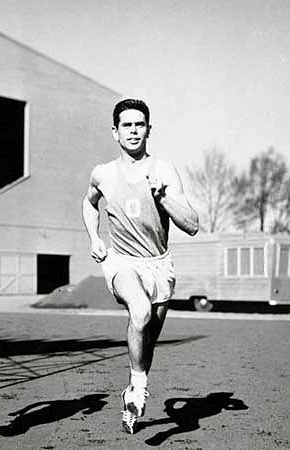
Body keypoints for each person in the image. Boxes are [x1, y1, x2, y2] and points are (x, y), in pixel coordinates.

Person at [82, 99, 199, 434]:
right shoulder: (102, 173)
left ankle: (135, 387)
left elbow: (191, 225)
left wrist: (163, 198)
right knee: (140, 310)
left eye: (139, 125)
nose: (133, 131)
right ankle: (138, 383)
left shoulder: (163, 171)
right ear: (115, 132)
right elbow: (89, 204)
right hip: (122, 262)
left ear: (149, 129)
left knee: (146, 341)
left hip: (159, 265)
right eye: (127, 125)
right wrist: (94, 237)